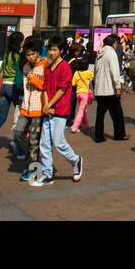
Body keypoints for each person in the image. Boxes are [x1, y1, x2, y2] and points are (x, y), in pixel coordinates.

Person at [33, 38, 82, 186]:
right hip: (49, 109)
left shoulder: (65, 66)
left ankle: (75, 160)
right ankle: (47, 173)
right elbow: (46, 88)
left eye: (55, 50)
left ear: (61, 51)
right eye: (50, 49)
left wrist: (50, 105)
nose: (52, 52)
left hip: (60, 109)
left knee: (58, 141)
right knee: (44, 142)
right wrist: (46, 106)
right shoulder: (48, 67)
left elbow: (62, 89)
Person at [12, 38, 46, 178]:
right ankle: (30, 156)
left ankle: (33, 170)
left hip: (38, 109)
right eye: (28, 54)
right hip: (26, 107)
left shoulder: (45, 66)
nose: (30, 57)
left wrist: (33, 78)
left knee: (34, 139)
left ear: (38, 53)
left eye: (32, 54)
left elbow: (45, 86)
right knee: (18, 132)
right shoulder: (25, 66)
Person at [92, 33, 126, 142]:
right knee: (118, 114)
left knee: (100, 114)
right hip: (110, 89)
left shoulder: (99, 54)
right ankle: (119, 134)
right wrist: (117, 86)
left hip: (100, 89)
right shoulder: (111, 53)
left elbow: (95, 72)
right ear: (114, 43)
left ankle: (99, 136)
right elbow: (114, 71)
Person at [69, 44, 94, 132]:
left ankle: (85, 124)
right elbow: (94, 76)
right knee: (81, 110)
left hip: (78, 93)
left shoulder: (77, 73)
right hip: (85, 93)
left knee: (83, 109)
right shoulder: (87, 73)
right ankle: (75, 126)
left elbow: (73, 83)